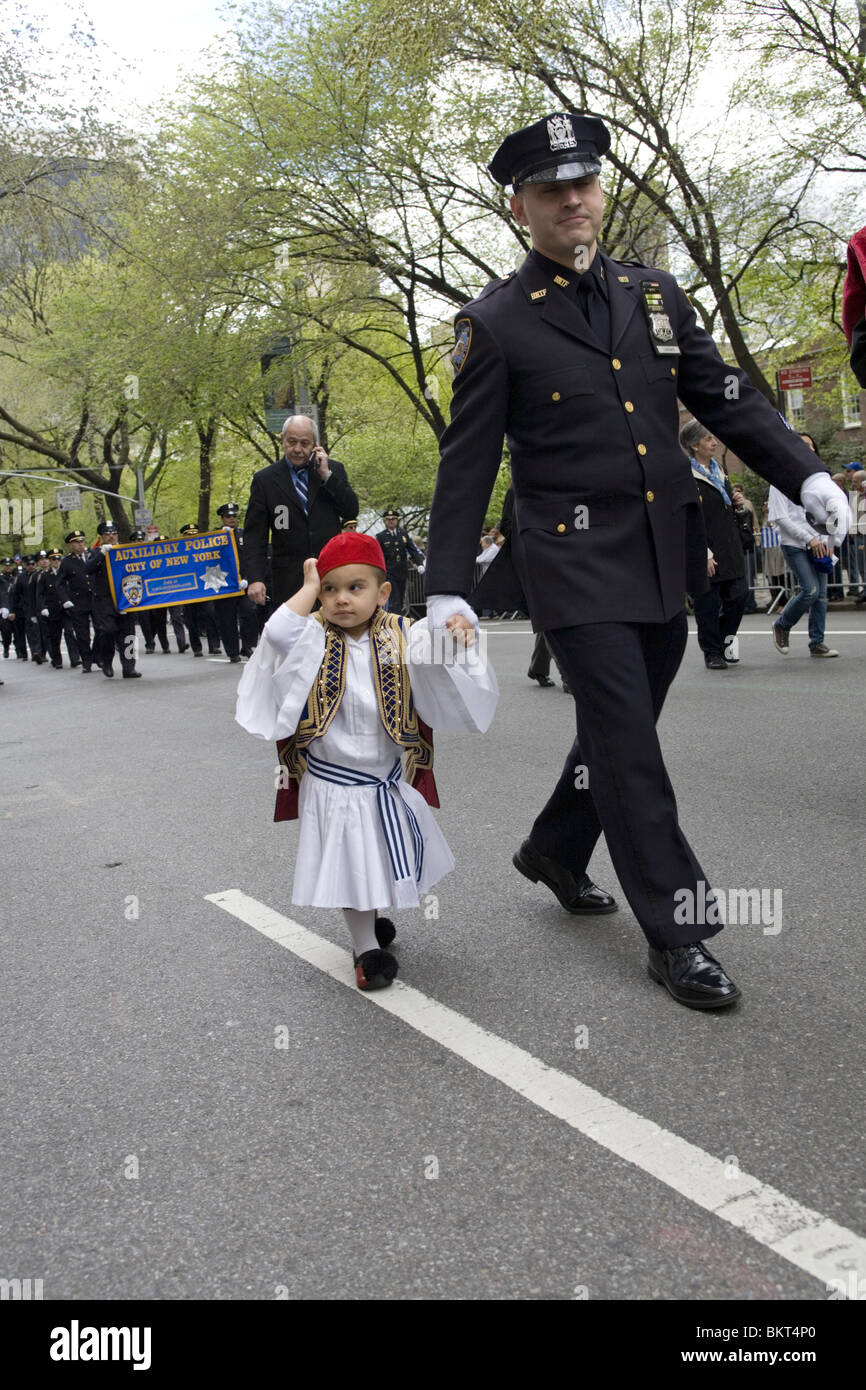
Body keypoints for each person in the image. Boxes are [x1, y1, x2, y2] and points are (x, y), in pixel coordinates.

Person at [423, 110, 851, 1010]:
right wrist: (445, 593)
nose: (571, 200)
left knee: (620, 735)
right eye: (551, 190)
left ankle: (553, 845)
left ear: (600, 191)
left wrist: (805, 473)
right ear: (520, 208)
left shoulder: (657, 297)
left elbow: (727, 398)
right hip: (572, 563)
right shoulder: (495, 324)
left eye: (583, 183)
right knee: (631, 744)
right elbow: (465, 467)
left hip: (663, 553)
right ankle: (678, 932)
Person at [235, 532, 497, 990]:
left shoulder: (404, 633)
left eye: (355, 588)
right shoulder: (310, 636)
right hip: (334, 779)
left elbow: (446, 652)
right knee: (351, 863)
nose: (340, 599)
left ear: (383, 591)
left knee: (370, 855)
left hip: (387, 776)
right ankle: (366, 950)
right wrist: (308, 586)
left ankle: (369, 924)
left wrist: (459, 632)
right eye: (331, 589)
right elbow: (276, 631)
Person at [244, 415, 359, 610]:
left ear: (315, 444)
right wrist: (255, 578)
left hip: (331, 576)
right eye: (292, 442)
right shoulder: (265, 480)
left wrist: (326, 476)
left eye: (305, 443)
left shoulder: (333, 471)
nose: (298, 449)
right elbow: (255, 535)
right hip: (288, 581)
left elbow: (350, 510)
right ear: (283, 439)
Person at [681, 420, 747, 670]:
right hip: (705, 549)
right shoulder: (687, 475)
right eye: (708, 438)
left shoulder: (719, 471)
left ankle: (722, 641)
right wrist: (703, 553)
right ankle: (713, 652)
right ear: (694, 445)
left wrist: (735, 501)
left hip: (729, 545)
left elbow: (721, 509)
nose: (714, 442)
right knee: (707, 604)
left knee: (739, 596)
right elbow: (688, 517)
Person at [769, 439, 840, 659]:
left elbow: (828, 513)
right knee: (810, 590)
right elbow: (780, 517)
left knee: (821, 596)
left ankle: (817, 643)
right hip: (795, 544)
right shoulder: (779, 479)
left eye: (811, 445)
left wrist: (827, 541)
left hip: (821, 544)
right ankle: (782, 625)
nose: (807, 448)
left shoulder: (820, 481)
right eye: (801, 443)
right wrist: (810, 539)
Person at [85, 521, 141, 679]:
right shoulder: (96, 552)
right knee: (108, 631)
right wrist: (102, 555)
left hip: (126, 597)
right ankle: (106, 660)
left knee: (129, 634)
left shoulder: (126, 550)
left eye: (114, 533)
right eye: (107, 534)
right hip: (104, 600)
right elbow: (88, 570)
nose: (111, 536)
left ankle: (129, 668)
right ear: (101, 536)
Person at [375, 508, 426, 615]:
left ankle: (397, 619)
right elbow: (378, 555)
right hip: (389, 572)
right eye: (388, 519)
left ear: (397, 520)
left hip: (402, 571)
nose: (391, 521)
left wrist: (420, 563)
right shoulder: (381, 537)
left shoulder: (403, 534)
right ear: (385, 521)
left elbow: (412, 550)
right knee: (395, 600)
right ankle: (397, 624)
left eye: (393, 519)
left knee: (401, 599)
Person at [56, 530, 94, 670]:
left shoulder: (91, 555)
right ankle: (87, 661)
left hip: (95, 599)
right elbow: (59, 583)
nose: (80, 545)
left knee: (103, 630)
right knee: (83, 634)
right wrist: (65, 600)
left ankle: (97, 655)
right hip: (78, 602)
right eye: (76, 543)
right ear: (70, 545)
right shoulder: (66, 562)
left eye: (81, 541)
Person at [731, 485, 760, 613]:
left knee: (749, 576)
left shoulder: (747, 504)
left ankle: (750, 603)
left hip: (747, 543)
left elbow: (754, 521)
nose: (737, 494)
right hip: (735, 545)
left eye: (739, 491)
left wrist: (757, 539)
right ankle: (743, 603)